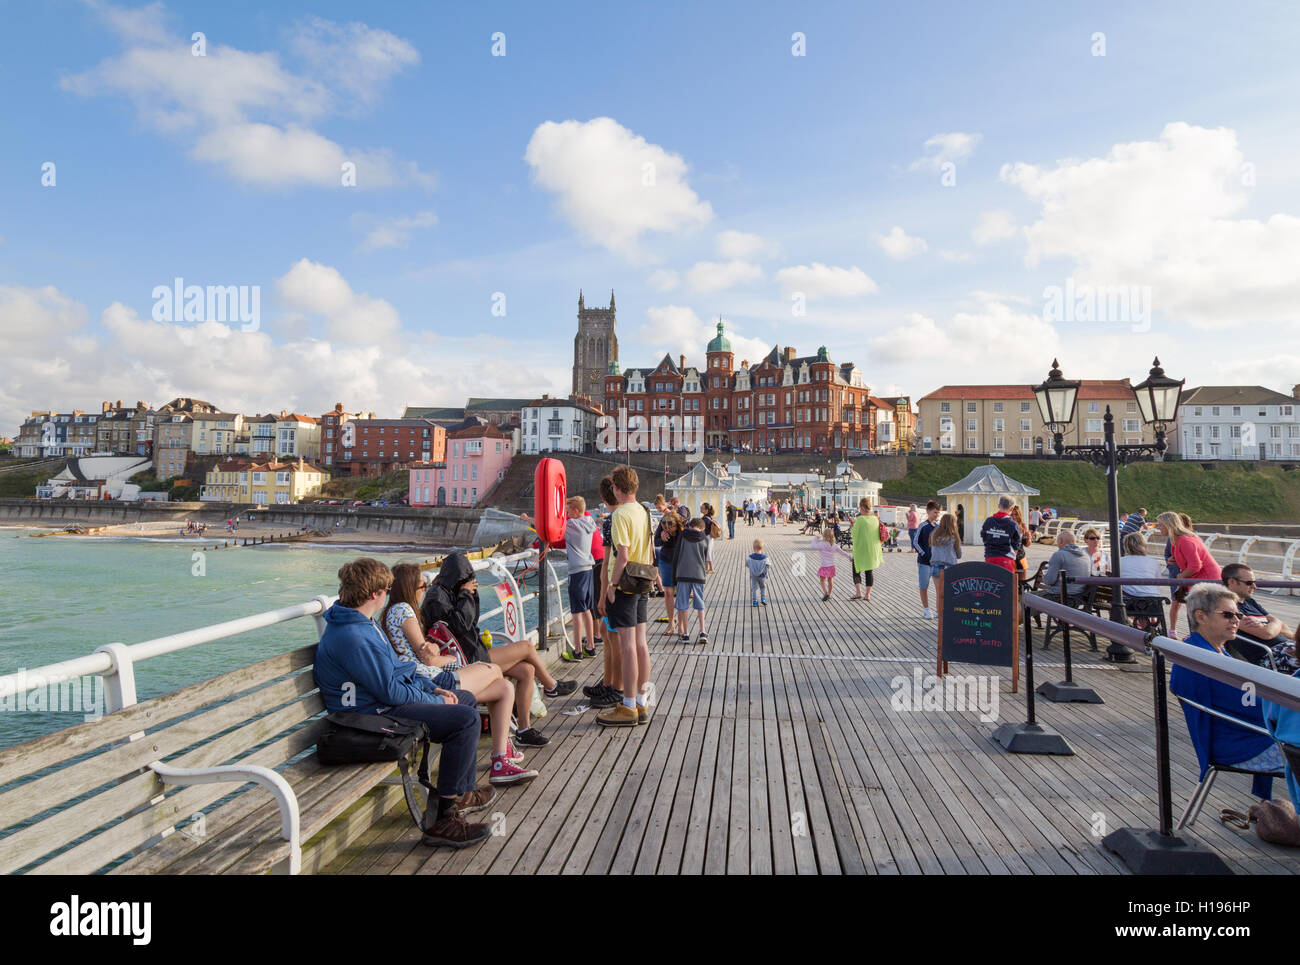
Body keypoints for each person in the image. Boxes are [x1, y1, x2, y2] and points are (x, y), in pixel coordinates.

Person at [314, 558, 495, 849]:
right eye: (386, 589)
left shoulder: (363, 623)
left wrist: (433, 688)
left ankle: (460, 793)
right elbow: (391, 693)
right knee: (464, 718)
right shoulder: (353, 636)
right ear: (375, 594)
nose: (388, 595)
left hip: (382, 705)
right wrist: (432, 698)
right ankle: (442, 821)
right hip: (371, 717)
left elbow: (399, 670)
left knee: (466, 700)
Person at [380, 563, 536, 784]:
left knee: (504, 688)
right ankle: (502, 758)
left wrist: (432, 650)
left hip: (426, 678)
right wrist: (449, 659)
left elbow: (423, 651)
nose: (424, 590)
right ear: (408, 587)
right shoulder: (404, 610)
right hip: (432, 680)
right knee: (493, 670)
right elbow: (427, 657)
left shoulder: (390, 612)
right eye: (422, 586)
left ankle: (501, 759)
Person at [422, 551, 575, 747]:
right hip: (466, 661)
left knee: (527, 670)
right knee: (527, 647)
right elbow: (462, 625)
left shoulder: (449, 591)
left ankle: (523, 731)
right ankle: (551, 686)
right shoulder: (437, 597)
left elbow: (470, 621)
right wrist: (466, 594)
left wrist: (470, 595)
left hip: (472, 654)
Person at [1169, 582, 1281, 799]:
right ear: (1201, 617)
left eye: (1238, 615)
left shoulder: (1208, 651)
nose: (1236, 621)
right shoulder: (1204, 661)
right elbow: (1253, 706)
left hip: (1245, 737)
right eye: (1228, 615)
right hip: (1240, 745)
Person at [598, 465, 656, 727]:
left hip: (626, 585)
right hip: (644, 578)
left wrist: (612, 584)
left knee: (627, 646)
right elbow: (650, 546)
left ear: (617, 489)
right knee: (642, 644)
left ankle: (628, 705)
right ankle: (642, 701)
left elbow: (622, 553)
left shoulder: (620, 514)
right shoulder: (644, 511)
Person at [587, 476, 625, 709]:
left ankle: (615, 687)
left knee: (614, 636)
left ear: (603, 498)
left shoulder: (612, 521)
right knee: (606, 631)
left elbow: (608, 558)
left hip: (614, 582)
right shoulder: (630, 514)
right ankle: (609, 681)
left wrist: (603, 594)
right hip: (625, 582)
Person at [1158, 511, 1221, 638]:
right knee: (1195, 610)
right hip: (1197, 580)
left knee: (1199, 611)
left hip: (1206, 579)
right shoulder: (1177, 540)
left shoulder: (1185, 540)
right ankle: (1197, 636)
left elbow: (1195, 565)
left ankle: (1200, 638)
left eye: (1160, 525)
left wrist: (1181, 576)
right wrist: (1173, 559)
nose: (1159, 528)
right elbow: (1188, 557)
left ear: (1169, 525)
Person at [1224, 563, 1296, 646]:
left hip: (1289, 646)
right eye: (1249, 583)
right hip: (1275, 654)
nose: (1254, 586)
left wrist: (1274, 623)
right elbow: (1266, 633)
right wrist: (1275, 623)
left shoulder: (1250, 602)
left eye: (1254, 582)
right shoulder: (1227, 606)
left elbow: (1283, 628)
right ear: (1232, 581)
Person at [562, 496, 598, 663]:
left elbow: (552, 528)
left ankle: (577, 651)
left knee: (576, 612)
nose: (567, 514)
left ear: (575, 511)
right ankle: (590, 647)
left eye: (568, 510)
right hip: (588, 570)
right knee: (587, 609)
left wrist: (529, 520)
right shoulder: (589, 522)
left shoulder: (572, 525)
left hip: (576, 572)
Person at [669, 517, 710, 644]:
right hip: (698, 574)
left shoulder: (683, 536)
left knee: (683, 605)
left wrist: (674, 576)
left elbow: (676, 555)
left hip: (683, 573)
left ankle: (686, 633)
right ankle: (702, 631)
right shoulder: (704, 538)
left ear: (690, 525)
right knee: (700, 604)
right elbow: (705, 557)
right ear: (702, 528)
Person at [1118, 532, 1168, 628]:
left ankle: (1141, 629)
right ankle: (1149, 629)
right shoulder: (1153, 562)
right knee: (1145, 602)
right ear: (1144, 545)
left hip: (1129, 603)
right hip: (1153, 603)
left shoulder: (1120, 561)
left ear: (1126, 546)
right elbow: (1158, 581)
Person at [1034, 530, 1091, 599]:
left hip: (1058, 595)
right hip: (1079, 596)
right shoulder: (1086, 555)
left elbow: (1049, 581)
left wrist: (1044, 576)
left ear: (1060, 541)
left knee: (1026, 597)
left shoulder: (1059, 555)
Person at [849, 498, 885, 602]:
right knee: (869, 572)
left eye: (859, 507)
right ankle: (867, 595)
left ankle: (859, 592)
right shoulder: (875, 519)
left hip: (861, 549)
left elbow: (854, 534)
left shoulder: (860, 520)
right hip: (872, 550)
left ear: (862, 507)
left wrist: (852, 526)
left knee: (856, 570)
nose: (859, 509)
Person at [654, 511, 683, 634]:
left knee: (681, 593)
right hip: (666, 559)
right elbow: (656, 542)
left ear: (677, 525)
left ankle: (681, 626)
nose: (669, 530)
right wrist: (661, 537)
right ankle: (671, 624)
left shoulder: (682, 527)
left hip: (681, 561)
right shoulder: (663, 523)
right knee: (668, 593)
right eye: (666, 528)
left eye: (671, 528)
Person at [808, 526, 852, 602]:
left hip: (824, 566)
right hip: (831, 566)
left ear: (824, 535)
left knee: (822, 580)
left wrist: (816, 538)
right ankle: (829, 593)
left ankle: (825, 593)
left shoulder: (822, 544)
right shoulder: (834, 545)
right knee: (830, 580)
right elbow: (843, 553)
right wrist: (850, 557)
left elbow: (812, 546)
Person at [979, 496, 1022, 574]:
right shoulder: (1013, 524)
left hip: (990, 557)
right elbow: (1017, 543)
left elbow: (983, 535)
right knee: (1006, 584)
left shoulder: (989, 521)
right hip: (1006, 559)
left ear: (998, 506)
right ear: (1012, 509)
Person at [915, 500, 942, 619]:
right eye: (935, 512)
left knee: (939, 589)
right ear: (928, 511)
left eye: (938, 513)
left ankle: (939, 610)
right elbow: (915, 541)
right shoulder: (923, 526)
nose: (937, 515)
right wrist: (923, 554)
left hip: (936, 564)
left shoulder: (939, 527)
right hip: (924, 563)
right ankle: (926, 610)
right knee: (924, 586)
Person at [927, 512, 962, 596]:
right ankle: (947, 609)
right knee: (950, 594)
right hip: (950, 567)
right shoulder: (954, 537)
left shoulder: (934, 535)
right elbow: (959, 555)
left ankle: (939, 609)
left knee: (939, 594)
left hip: (936, 566)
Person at [1009, 505, 1030, 576]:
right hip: (1008, 558)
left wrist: (1028, 537)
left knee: (1021, 584)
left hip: (1020, 558)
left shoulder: (1023, 526)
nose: (1014, 517)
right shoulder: (1005, 525)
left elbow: (1027, 544)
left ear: (1019, 515)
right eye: (1011, 514)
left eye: (1016, 514)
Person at [747, 538, 770, 606]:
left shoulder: (750, 558)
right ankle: (763, 598)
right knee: (763, 587)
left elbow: (747, 564)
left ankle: (754, 601)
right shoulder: (765, 558)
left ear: (754, 548)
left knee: (754, 588)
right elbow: (768, 565)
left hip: (754, 576)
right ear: (762, 548)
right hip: (762, 576)